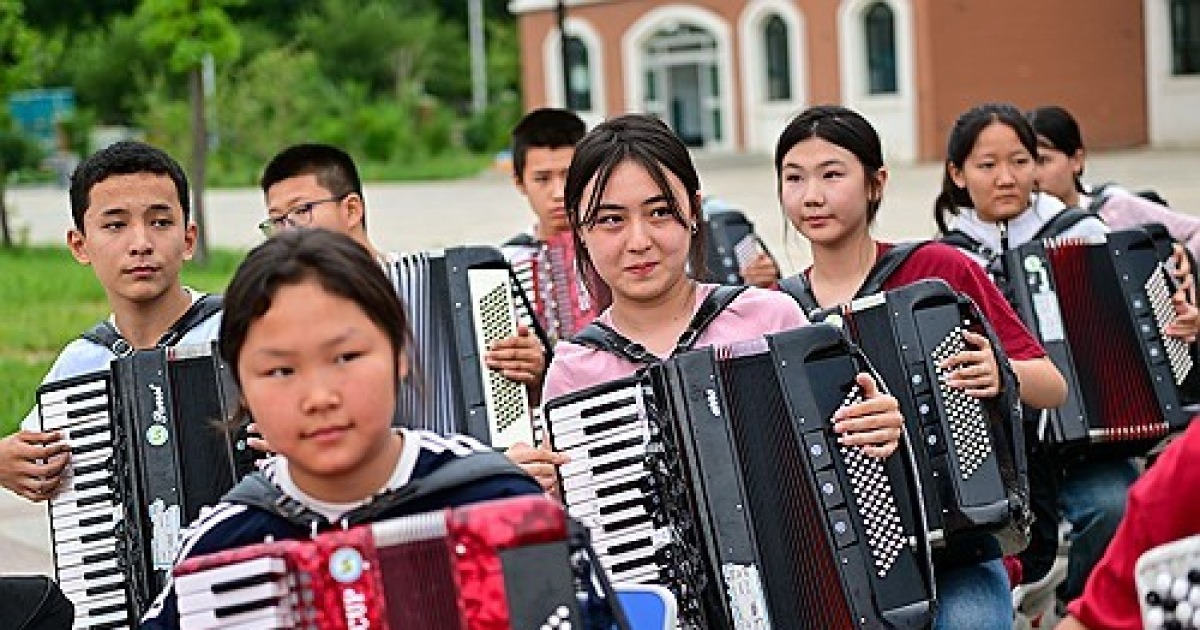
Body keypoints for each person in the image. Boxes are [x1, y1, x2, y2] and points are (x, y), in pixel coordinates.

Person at [140, 228, 544, 629]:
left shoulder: (498, 500)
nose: (319, 397)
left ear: (400, 353)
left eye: (346, 357)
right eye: (280, 370)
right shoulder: (222, 550)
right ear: (242, 389)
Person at [773, 104, 1067, 629]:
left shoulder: (936, 269)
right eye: (794, 178)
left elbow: (1053, 386)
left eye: (832, 174)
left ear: (875, 183)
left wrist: (1002, 374)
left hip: (959, 549)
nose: (811, 195)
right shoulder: (776, 309)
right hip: (848, 569)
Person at [933, 102, 1198, 605]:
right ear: (958, 174)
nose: (1006, 178)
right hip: (1002, 445)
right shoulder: (949, 258)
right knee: (1001, 541)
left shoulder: (1083, 232)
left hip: (1088, 441)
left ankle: (1081, 605)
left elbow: (1146, 326)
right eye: (987, 166)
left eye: (1020, 161)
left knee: (1113, 506)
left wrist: (1174, 326)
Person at [541, 113, 904, 459]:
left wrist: (876, 430)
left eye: (660, 212)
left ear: (695, 212)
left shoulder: (770, 319)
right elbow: (575, 519)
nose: (638, 241)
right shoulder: (574, 371)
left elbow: (846, 458)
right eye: (611, 219)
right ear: (580, 230)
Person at [0, 140, 218, 628]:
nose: (140, 242)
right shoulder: (80, 363)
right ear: (81, 244)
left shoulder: (238, 335)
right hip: (124, 602)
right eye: (115, 225)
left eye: (160, 222)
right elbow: (36, 463)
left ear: (188, 238)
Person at [1053, 419, 1200, 630]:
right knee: (1110, 504)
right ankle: (1069, 593)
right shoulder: (1192, 463)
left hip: (1109, 456)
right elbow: (1094, 618)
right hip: (1056, 463)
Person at [1027, 105, 1200, 261]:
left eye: (1043, 161)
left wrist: (1184, 264)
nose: (1033, 175)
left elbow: (1196, 230)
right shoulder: (1015, 226)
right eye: (1023, 162)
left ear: (1076, 160)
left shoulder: (1115, 207)